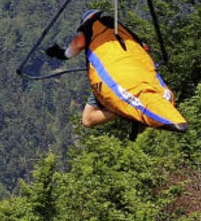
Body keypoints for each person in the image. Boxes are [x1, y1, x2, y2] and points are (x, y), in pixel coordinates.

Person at [46, 10, 188, 133]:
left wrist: (62, 54)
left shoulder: (89, 27)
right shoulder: (120, 28)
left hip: (114, 75)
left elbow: (78, 44)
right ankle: (135, 107)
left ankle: (126, 109)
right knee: (144, 91)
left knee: (87, 119)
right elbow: (144, 47)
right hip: (138, 69)